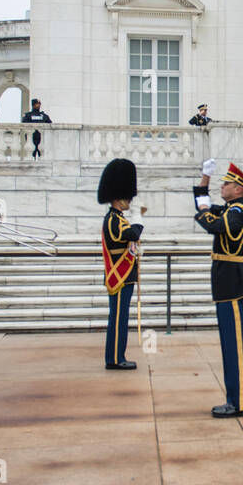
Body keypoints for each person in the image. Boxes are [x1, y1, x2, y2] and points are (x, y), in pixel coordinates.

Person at [193, 160, 243, 417]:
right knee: (230, 347)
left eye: (227, 183)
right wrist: (204, 179)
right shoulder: (231, 208)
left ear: (239, 189)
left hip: (234, 285)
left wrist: (206, 210)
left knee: (236, 348)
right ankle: (235, 398)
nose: (223, 185)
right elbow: (202, 205)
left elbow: (216, 225)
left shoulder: (239, 212)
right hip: (228, 285)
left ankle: (240, 403)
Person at [99, 158, 142, 370]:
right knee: (118, 318)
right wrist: (140, 220)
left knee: (120, 317)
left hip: (123, 274)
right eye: (127, 198)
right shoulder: (114, 220)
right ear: (120, 198)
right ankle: (115, 358)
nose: (130, 202)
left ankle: (116, 355)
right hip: (120, 275)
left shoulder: (117, 218)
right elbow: (131, 234)